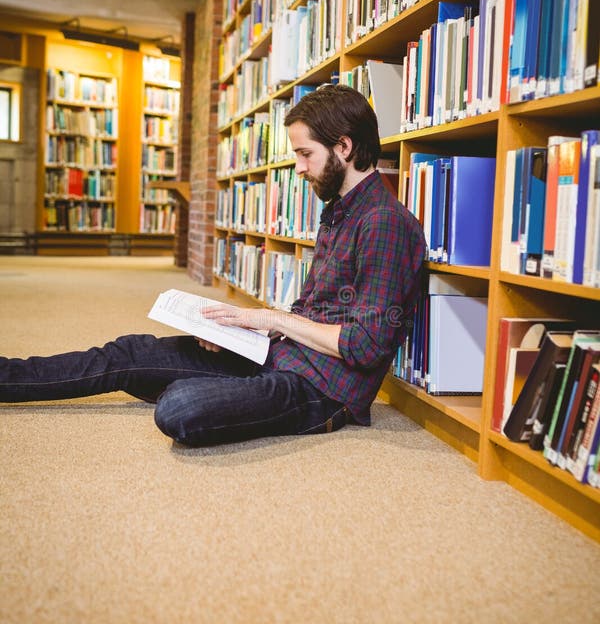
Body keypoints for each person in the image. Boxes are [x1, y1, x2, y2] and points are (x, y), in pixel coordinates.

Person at [1, 85, 426, 447]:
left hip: (321, 391)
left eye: (305, 154)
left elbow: (365, 345)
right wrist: (245, 331)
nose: (298, 168)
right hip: (278, 354)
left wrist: (264, 316)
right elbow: (315, 313)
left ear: (345, 147)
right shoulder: (339, 210)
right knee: (128, 352)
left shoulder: (385, 224)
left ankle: (217, 389)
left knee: (181, 406)